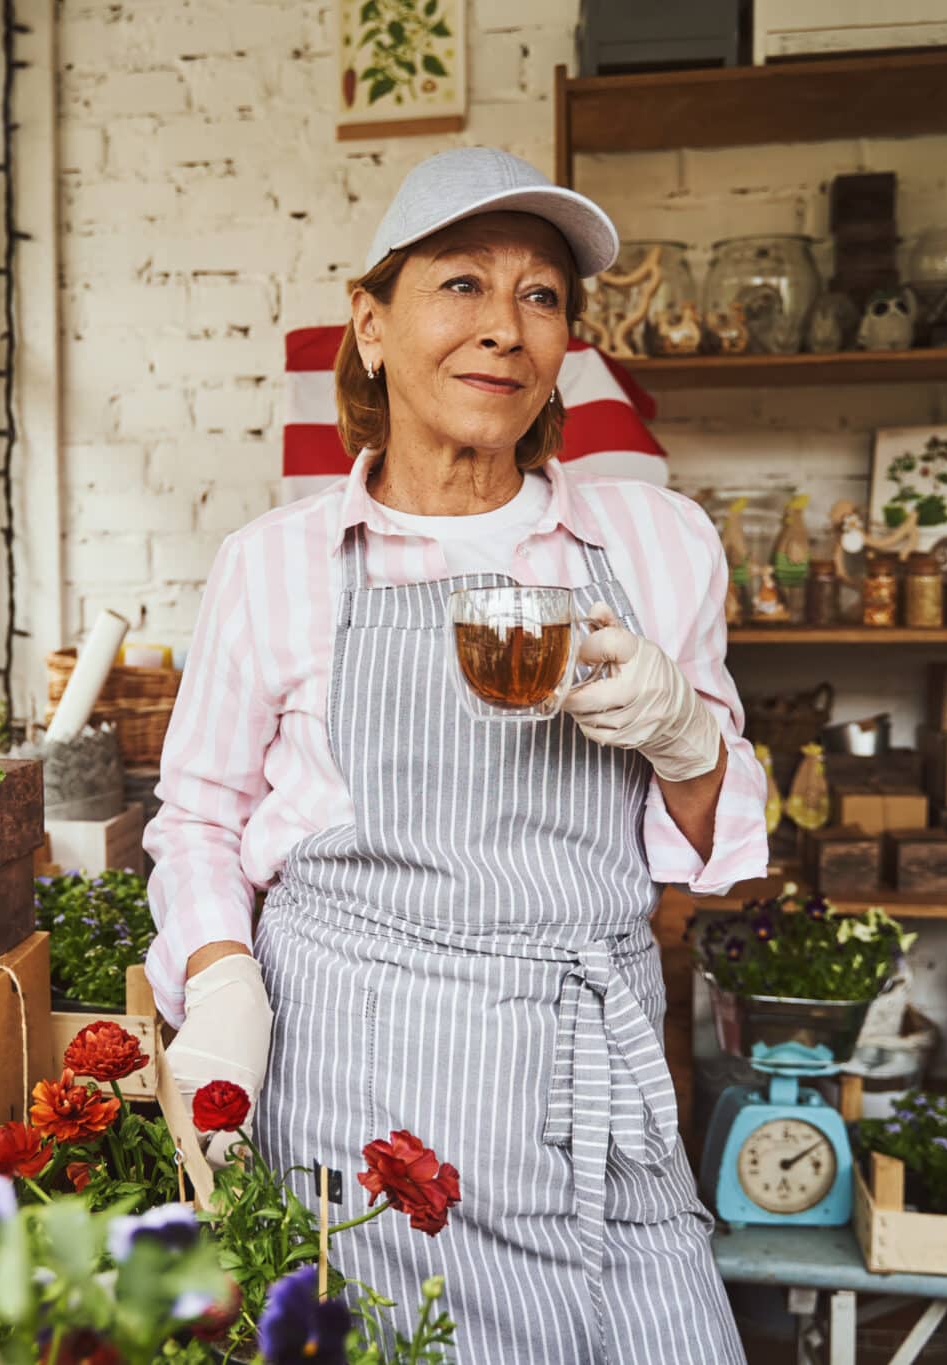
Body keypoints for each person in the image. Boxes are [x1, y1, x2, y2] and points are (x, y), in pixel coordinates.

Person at [144, 146, 768, 1361]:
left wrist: (685, 735)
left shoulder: (653, 545)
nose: (503, 328)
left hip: (587, 1070)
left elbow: (717, 838)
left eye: (539, 297)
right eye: (462, 286)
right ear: (371, 327)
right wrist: (220, 982)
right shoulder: (276, 564)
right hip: (362, 1094)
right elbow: (200, 812)